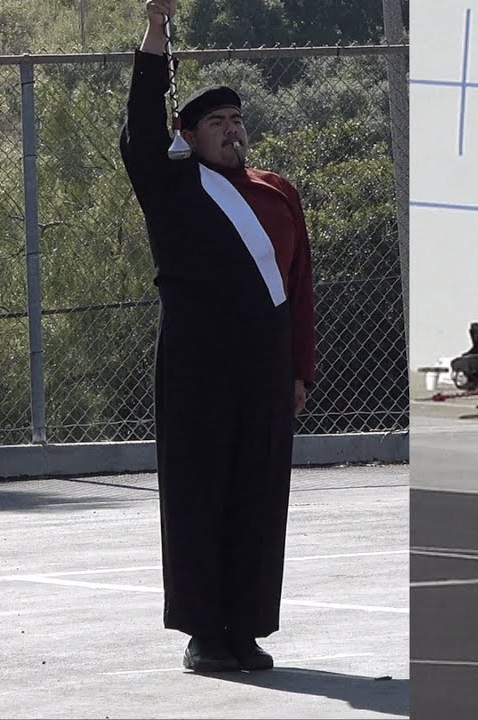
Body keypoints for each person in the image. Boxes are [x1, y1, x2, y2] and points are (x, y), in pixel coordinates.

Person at [120, 0, 316, 672]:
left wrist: (299, 370)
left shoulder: (277, 191)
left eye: (237, 121)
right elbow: (140, 129)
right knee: (200, 492)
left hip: (265, 369)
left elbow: (299, 289)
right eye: (215, 123)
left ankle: (247, 624)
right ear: (190, 136)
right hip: (199, 366)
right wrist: (155, 35)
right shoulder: (172, 186)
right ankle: (205, 631)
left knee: (259, 497)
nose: (231, 132)